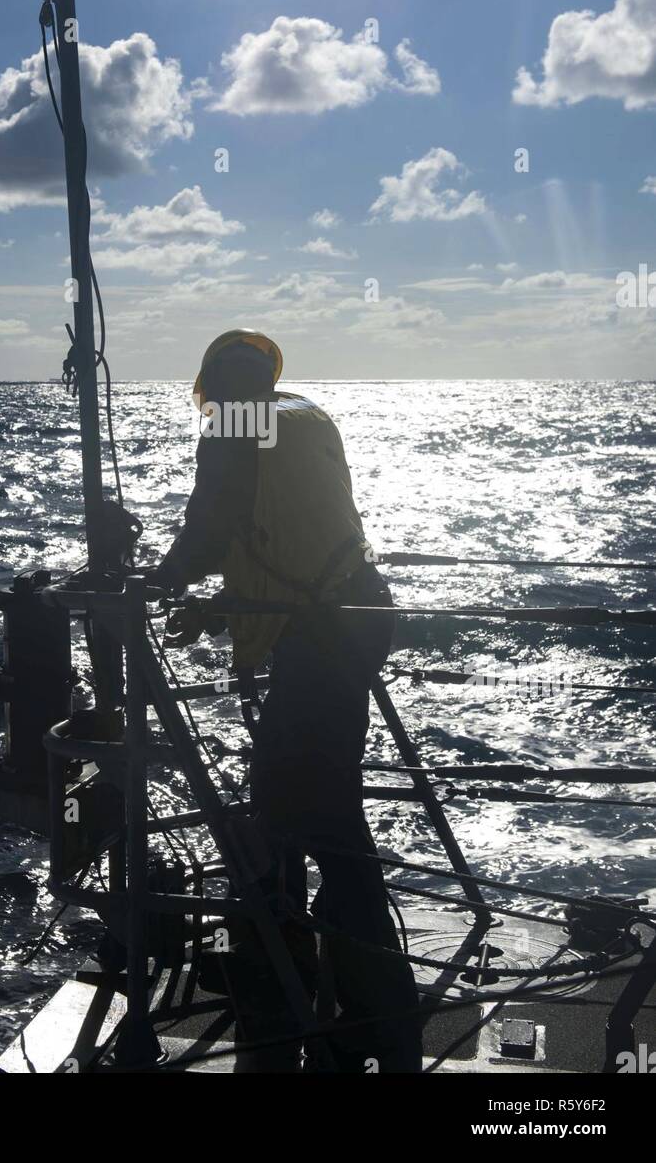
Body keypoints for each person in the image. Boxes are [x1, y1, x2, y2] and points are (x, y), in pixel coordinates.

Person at [149, 330, 422, 1073]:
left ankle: (354, 995)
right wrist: (218, 604)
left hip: (322, 635)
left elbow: (212, 524)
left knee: (313, 811)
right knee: (306, 797)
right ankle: (324, 969)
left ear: (222, 383)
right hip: (355, 613)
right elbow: (279, 529)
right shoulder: (306, 415)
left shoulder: (237, 424)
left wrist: (163, 580)